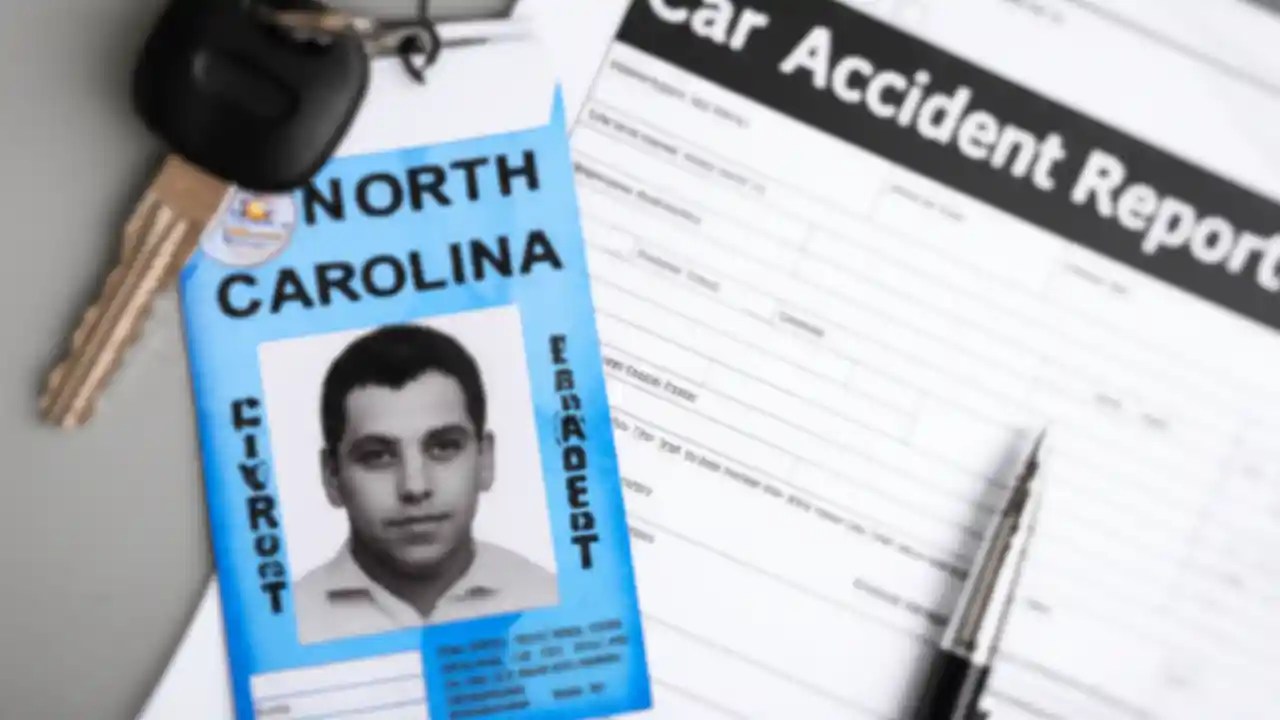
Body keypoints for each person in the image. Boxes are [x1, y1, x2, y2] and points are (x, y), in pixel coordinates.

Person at [294, 323, 558, 645]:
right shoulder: (287, 627)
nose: (415, 487)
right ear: (332, 476)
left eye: (443, 448)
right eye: (377, 456)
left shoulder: (549, 599)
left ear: (485, 460)